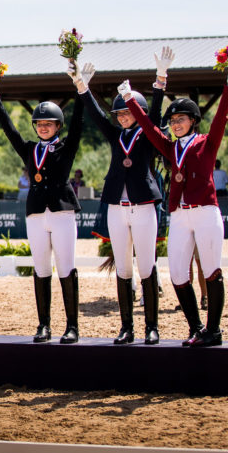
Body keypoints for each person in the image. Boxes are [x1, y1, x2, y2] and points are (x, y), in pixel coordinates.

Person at [121, 62, 228, 347]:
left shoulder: (206, 143)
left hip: (205, 211)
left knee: (211, 270)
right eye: (173, 120)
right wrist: (130, 100)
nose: (176, 124)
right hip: (179, 214)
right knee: (177, 273)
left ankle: (213, 330)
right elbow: (150, 130)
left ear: (193, 121)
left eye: (181, 119)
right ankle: (196, 327)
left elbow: (222, 117)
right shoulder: (170, 146)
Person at [75, 47, 173, 345]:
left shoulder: (148, 133)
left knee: (146, 266)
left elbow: (154, 115)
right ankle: (127, 326)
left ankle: (151, 327)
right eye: (120, 113)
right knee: (124, 267)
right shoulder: (115, 135)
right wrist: (82, 87)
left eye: (128, 112)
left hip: (143, 205)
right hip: (117, 206)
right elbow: (95, 114)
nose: (123, 117)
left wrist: (160, 78)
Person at [0, 65, 84, 343]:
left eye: (48, 124)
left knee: (66, 267)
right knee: (41, 268)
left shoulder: (66, 147)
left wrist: (81, 91)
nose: (43, 127)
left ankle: (72, 325)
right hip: (37, 214)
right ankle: (44, 325)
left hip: (62, 212)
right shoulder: (29, 149)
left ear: (56, 127)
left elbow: (78, 125)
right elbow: (9, 130)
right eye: (39, 124)